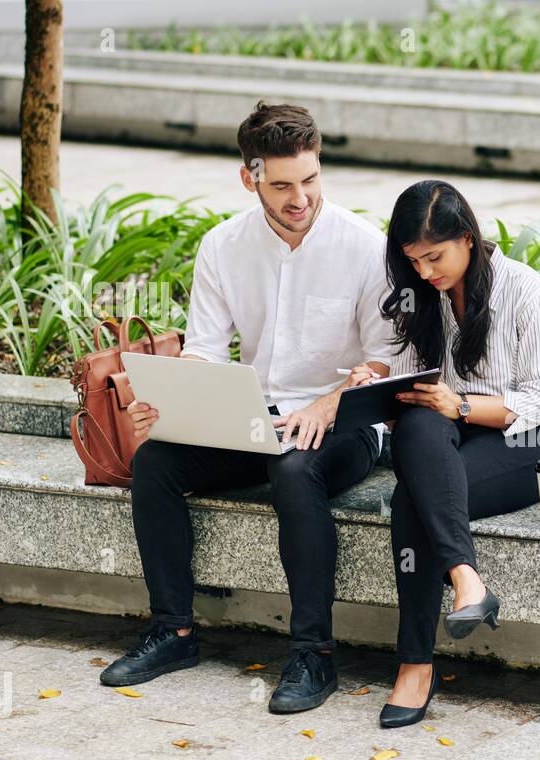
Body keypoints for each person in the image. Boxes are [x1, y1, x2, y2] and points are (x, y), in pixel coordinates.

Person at [99, 101, 392, 715]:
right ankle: (174, 633)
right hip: (256, 419)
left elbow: (385, 362)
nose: (300, 198)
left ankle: (314, 654)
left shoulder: (367, 248)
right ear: (249, 177)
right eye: (281, 184)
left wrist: (327, 402)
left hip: (347, 425)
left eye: (310, 179)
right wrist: (174, 404)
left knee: (293, 469)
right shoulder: (224, 246)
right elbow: (204, 350)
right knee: (156, 461)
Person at [378, 180, 540, 729]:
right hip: (443, 443)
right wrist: (381, 386)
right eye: (413, 261)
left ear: (467, 237)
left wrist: (459, 405)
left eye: (435, 257)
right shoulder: (422, 299)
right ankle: (467, 581)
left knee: (411, 499)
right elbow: (417, 386)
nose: (425, 272)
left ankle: (415, 666)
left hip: (523, 444)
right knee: (417, 422)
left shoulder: (527, 293)